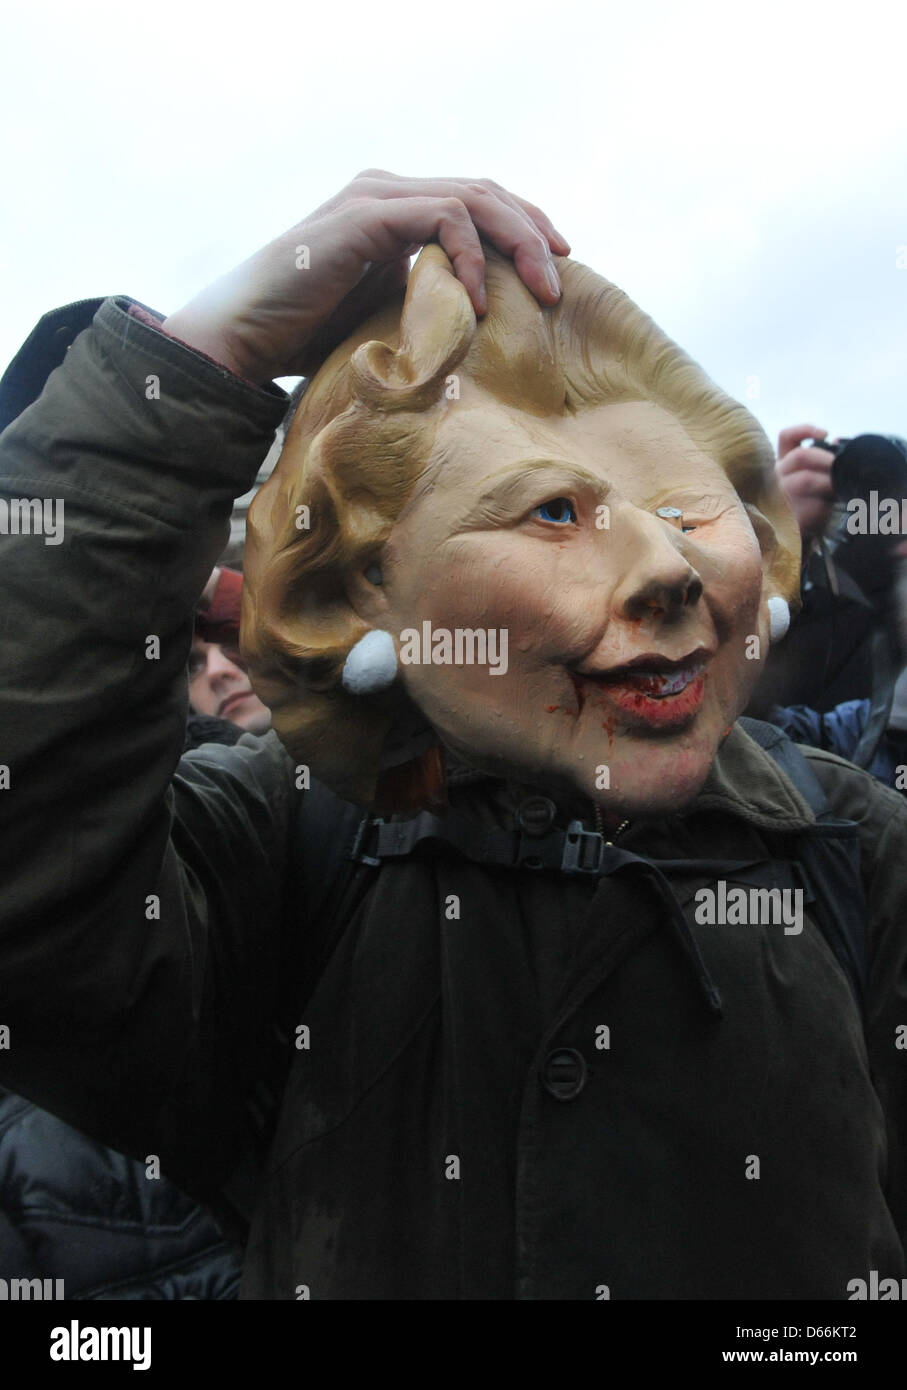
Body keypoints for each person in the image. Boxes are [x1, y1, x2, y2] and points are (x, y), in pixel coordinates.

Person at [1, 172, 905, 1300]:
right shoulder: (281, 847)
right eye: (553, 512)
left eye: (684, 510)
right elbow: (33, 884)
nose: (668, 570)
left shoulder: (855, 845)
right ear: (366, 585)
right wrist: (201, 359)